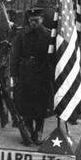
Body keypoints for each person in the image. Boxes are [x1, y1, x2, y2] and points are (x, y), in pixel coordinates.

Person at [9, 9, 53, 143]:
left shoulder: (49, 35)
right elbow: (15, 56)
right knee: (25, 104)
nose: (33, 23)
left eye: (36, 20)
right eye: (31, 20)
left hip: (42, 74)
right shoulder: (22, 35)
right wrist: (14, 74)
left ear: (42, 20)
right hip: (25, 73)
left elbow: (52, 57)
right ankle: (28, 130)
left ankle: (38, 131)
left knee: (40, 104)